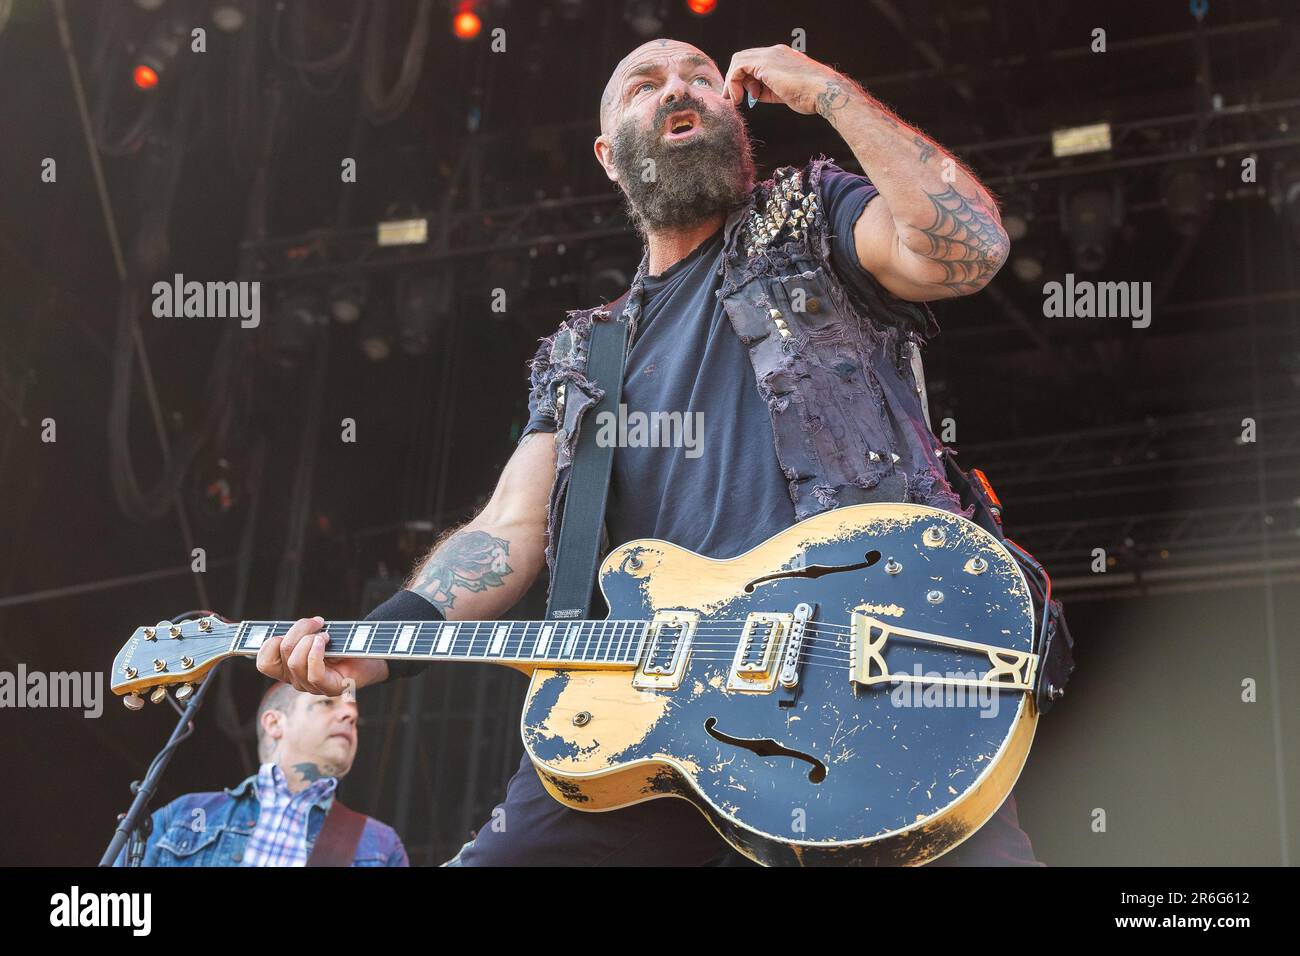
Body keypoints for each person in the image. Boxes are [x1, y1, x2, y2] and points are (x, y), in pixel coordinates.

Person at [258, 39, 1042, 866]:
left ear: (735, 114)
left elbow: (969, 249)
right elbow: (509, 530)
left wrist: (831, 94)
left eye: (702, 77)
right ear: (608, 155)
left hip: (854, 675)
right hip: (645, 712)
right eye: (647, 83)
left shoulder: (808, 220)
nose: (681, 88)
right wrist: (369, 644)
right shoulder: (581, 353)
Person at [114, 682, 408, 866]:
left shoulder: (379, 845)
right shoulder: (185, 815)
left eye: (353, 713)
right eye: (326, 703)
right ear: (274, 723)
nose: (350, 715)